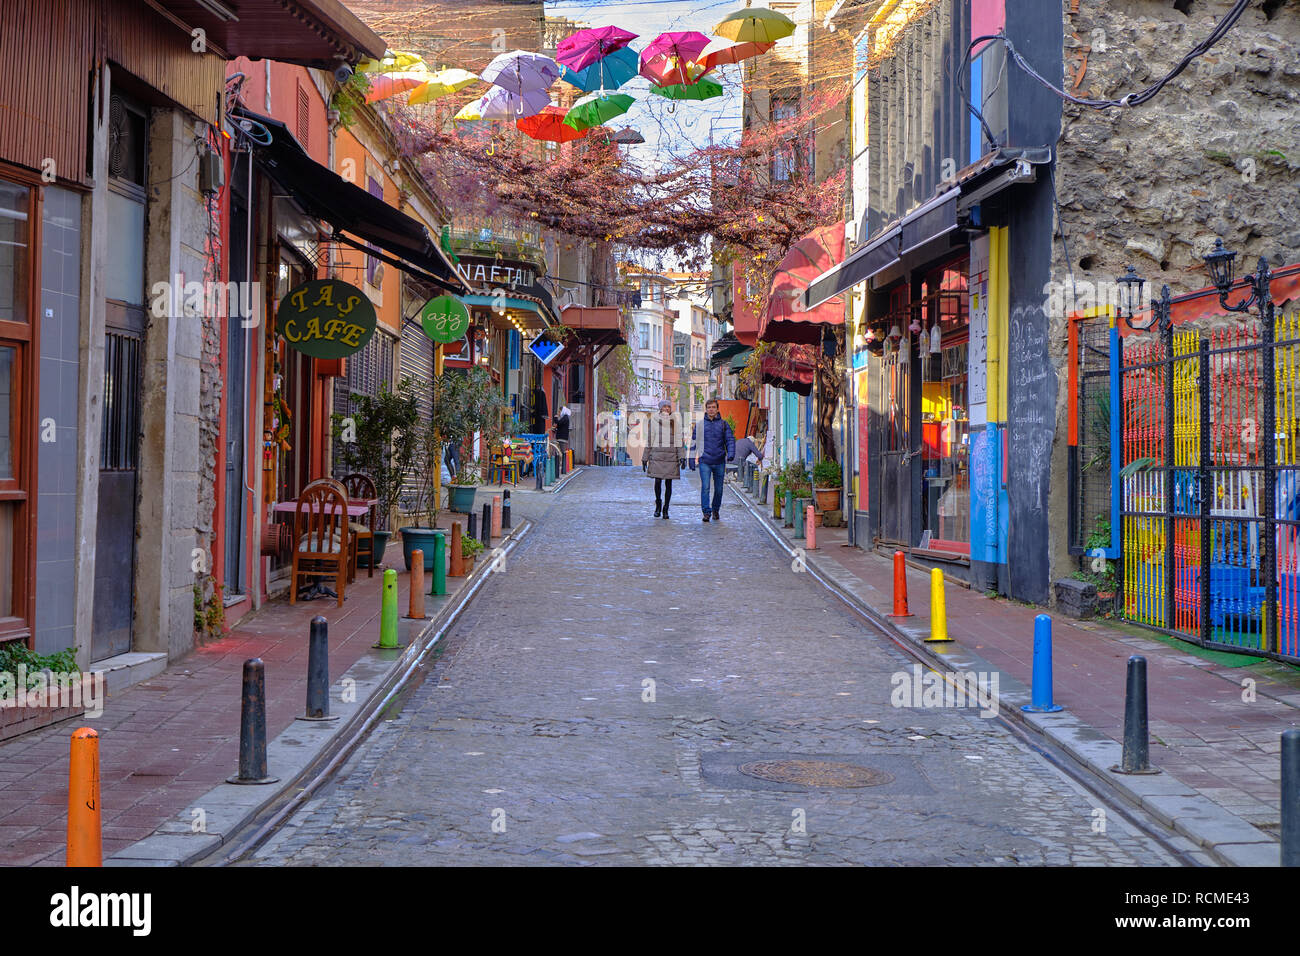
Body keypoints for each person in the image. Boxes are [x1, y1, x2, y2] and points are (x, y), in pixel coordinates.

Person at [689, 399, 735, 522]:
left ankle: (715, 509)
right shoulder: (699, 425)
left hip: (720, 461)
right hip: (705, 461)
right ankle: (706, 512)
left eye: (713, 407)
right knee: (705, 487)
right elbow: (694, 442)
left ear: (717, 409)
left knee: (719, 489)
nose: (711, 409)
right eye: (709, 407)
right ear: (706, 409)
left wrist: (731, 454)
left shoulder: (724, 425)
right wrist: (691, 459)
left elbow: (730, 440)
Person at [642, 400, 684, 519]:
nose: (666, 409)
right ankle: (658, 504)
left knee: (669, 483)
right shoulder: (654, 421)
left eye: (668, 407)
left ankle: (666, 508)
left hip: (671, 456)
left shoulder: (676, 422)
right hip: (657, 456)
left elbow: (679, 440)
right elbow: (650, 439)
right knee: (658, 482)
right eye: (664, 406)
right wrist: (645, 457)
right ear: (660, 408)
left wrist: (682, 457)